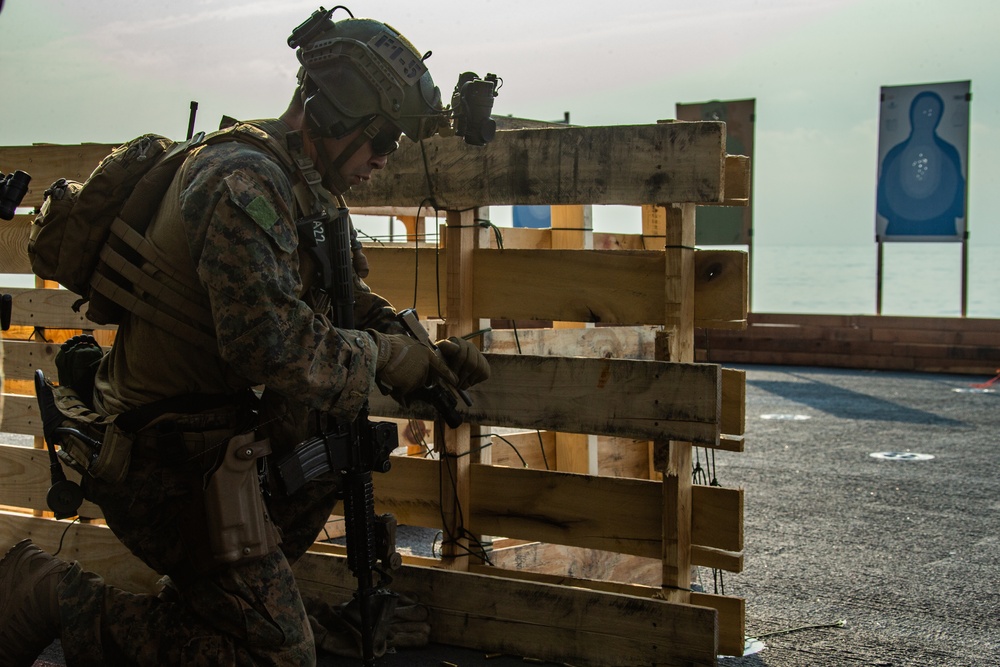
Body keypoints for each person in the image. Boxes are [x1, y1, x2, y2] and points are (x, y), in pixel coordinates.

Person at [0, 6, 490, 666]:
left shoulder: (303, 187)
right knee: (278, 659)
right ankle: (50, 594)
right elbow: (267, 342)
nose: (383, 157)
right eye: (381, 137)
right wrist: (383, 356)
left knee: (330, 445)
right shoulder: (241, 181)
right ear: (336, 114)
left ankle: (240, 609)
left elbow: (337, 299)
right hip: (162, 460)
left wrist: (422, 353)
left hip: (216, 446)